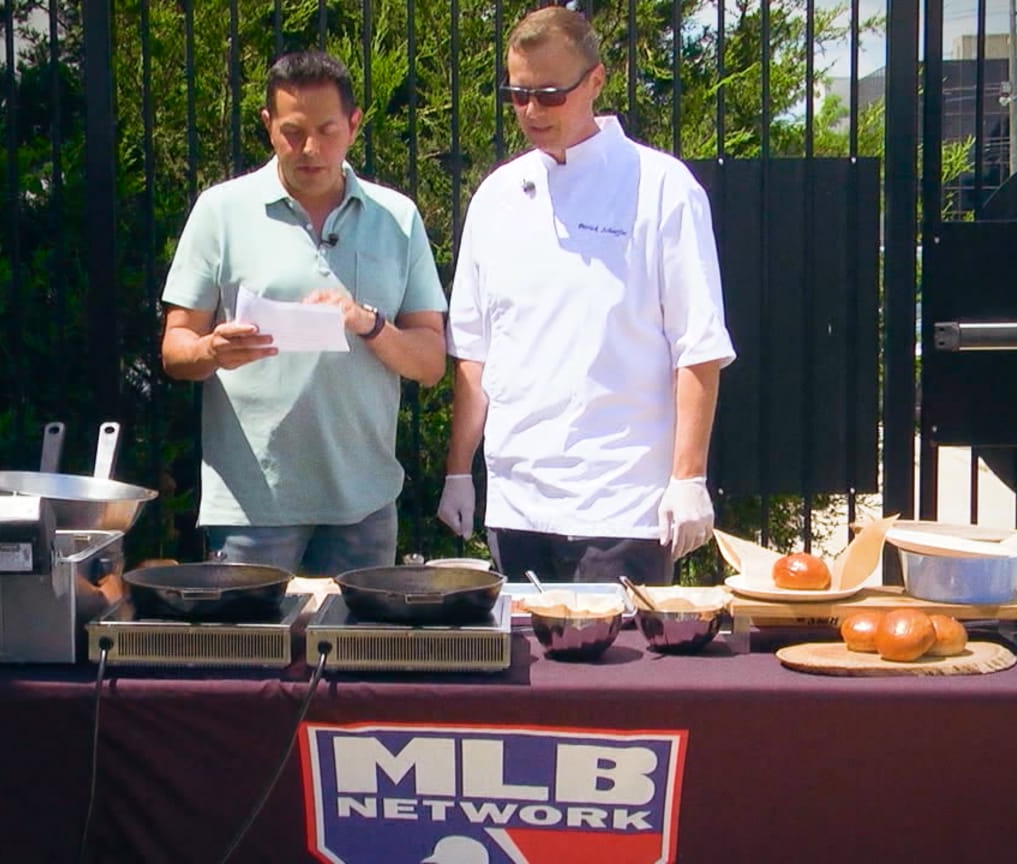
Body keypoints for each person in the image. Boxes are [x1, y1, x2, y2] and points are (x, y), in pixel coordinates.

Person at [435, 6, 735, 585]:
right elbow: (474, 353)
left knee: (614, 674)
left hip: (622, 504)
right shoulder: (496, 197)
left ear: (595, 81)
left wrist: (688, 478)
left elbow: (697, 348)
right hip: (517, 503)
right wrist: (458, 471)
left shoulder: (662, 187)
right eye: (518, 95)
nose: (531, 111)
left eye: (550, 94)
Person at [161, 50, 446, 575]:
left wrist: (371, 324)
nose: (310, 149)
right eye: (293, 132)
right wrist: (211, 350)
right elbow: (175, 348)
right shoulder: (221, 210)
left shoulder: (397, 217)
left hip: (364, 504)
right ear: (268, 125)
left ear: (354, 125)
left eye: (327, 130)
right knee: (254, 655)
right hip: (253, 507)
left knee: (356, 655)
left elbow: (431, 362)